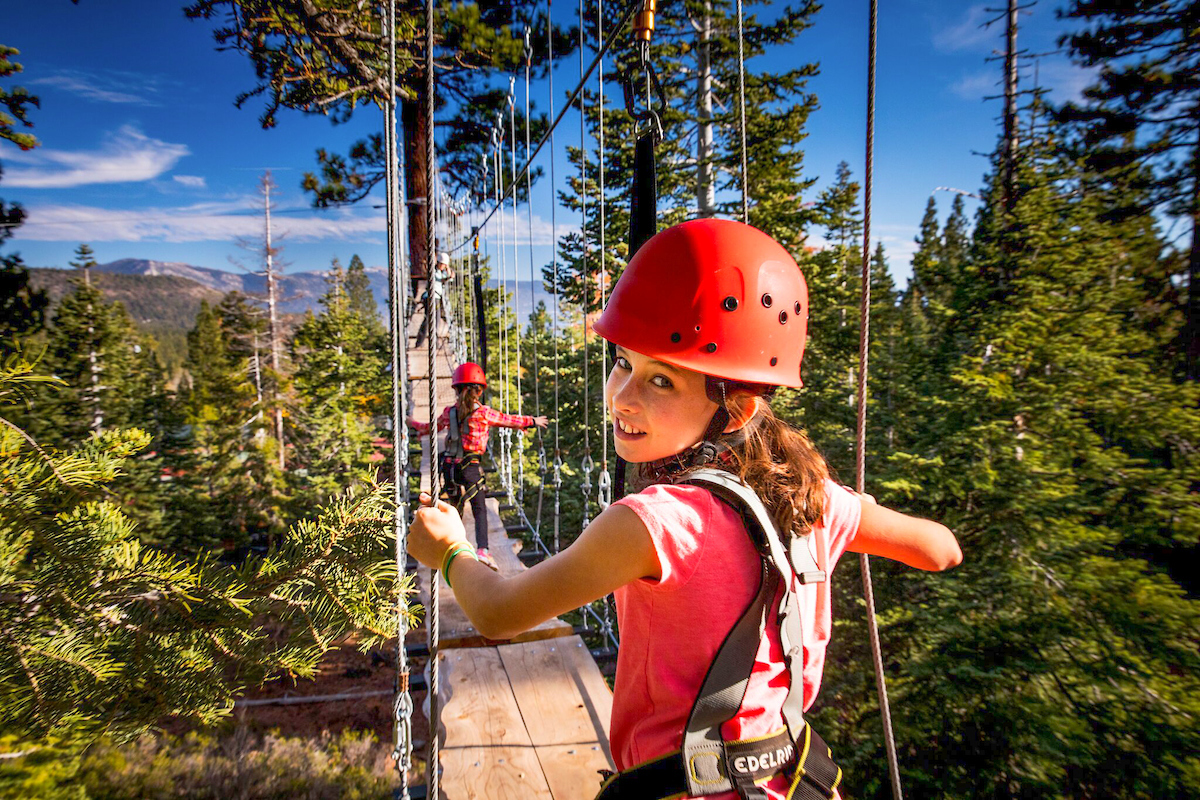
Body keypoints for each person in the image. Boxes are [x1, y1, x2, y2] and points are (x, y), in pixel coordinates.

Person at [407, 220, 962, 799]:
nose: (623, 397)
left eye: (662, 381)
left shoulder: (654, 523)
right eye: (623, 363)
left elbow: (498, 611)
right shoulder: (815, 498)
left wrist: (447, 549)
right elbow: (941, 549)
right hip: (795, 780)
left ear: (738, 408)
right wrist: (852, 509)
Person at [407, 361, 548, 564]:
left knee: (453, 510)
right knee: (479, 509)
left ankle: (451, 547)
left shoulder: (449, 412)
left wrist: (413, 423)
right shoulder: (483, 413)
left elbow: (430, 428)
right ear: (479, 391)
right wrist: (532, 421)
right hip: (470, 467)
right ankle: (483, 551)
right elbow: (508, 420)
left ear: (456, 390)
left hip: (450, 467)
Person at [415, 250, 452, 348]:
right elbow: (445, 278)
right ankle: (424, 342)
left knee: (434, 321)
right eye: (443, 265)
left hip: (436, 298)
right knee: (430, 320)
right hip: (431, 298)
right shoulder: (433, 272)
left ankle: (428, 342)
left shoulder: (440, 272)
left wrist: (447, 268)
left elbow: (450, 277)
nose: (443, 267)